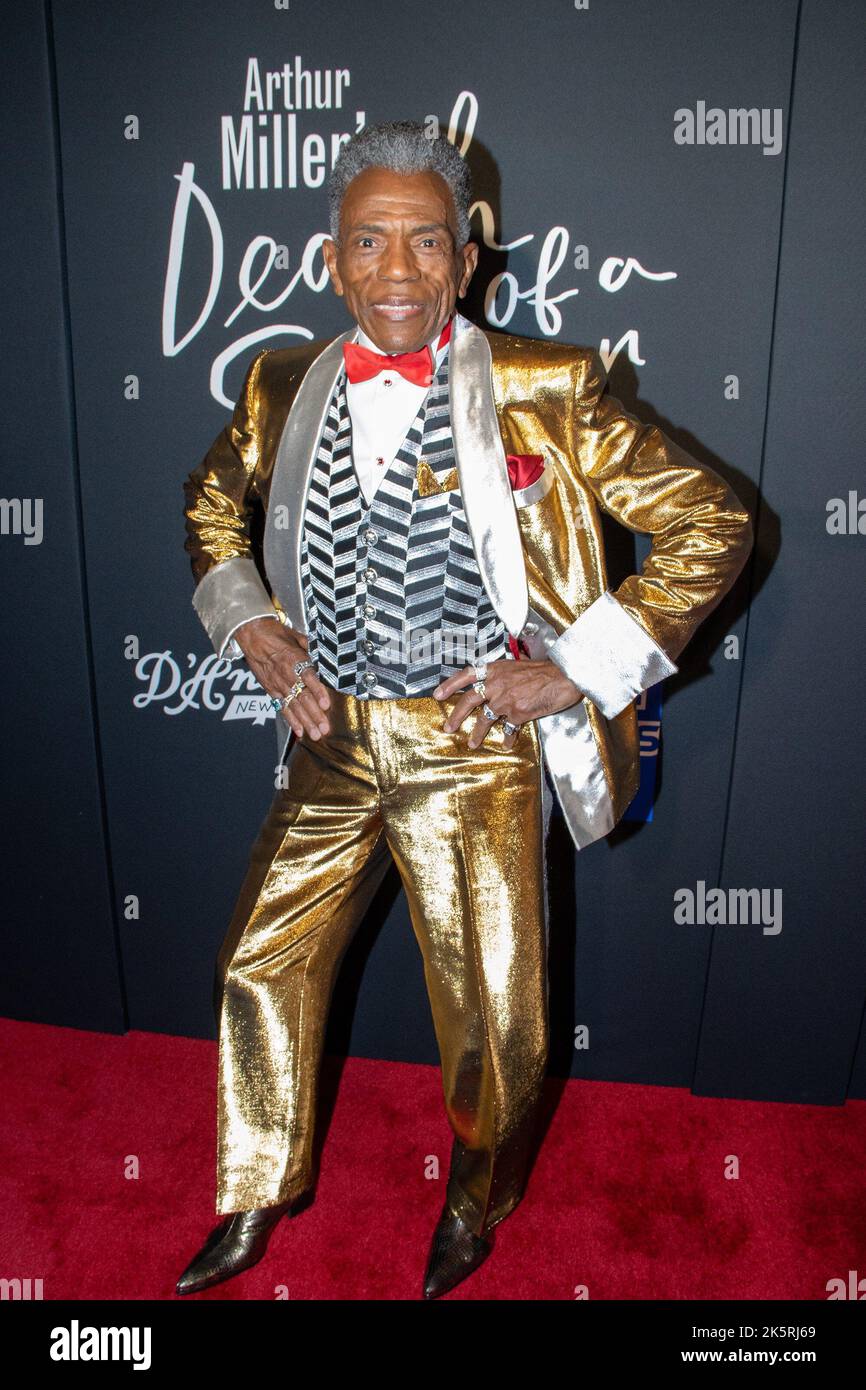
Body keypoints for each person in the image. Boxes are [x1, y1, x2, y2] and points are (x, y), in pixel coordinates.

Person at [176, 120, 753, 1299]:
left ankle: (478, 1194)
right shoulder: (279, 380)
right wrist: (250, 622)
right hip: (332, 739)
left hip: (474, 749)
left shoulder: (548, 387)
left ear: (467, 260)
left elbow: (711, 520)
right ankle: (251, 1190)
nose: (396, 271)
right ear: (330, 261)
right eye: (370, 244)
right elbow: (209, 502)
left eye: (424, 242)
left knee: (496, 1021)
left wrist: (581, 665)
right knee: (257, 964)